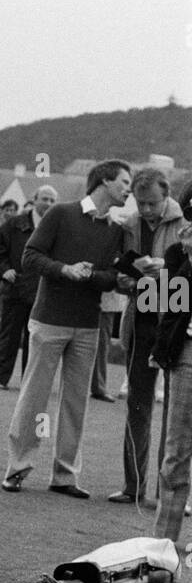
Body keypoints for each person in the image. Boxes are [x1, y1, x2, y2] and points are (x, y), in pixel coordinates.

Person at [1, 160, 130, 497]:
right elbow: (31, 256)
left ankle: (65, 476)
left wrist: (90, 275)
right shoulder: (61, 213)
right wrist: (64, 270)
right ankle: (17, 468)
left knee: (76, 403)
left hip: (88, 326)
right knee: (34, 396)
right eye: (124, 182)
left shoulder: (115, 230)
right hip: (49, 320)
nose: (128, 189)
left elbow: (112, 278)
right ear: (104, 181)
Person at [108, 168, 186, 507]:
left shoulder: (186, 223)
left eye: (153, 203)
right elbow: (118, 277)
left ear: (166, 195)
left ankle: (167, 493)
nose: (147, 210)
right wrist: (133, 277)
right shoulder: (128, 226)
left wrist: (164, 272)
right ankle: (134, 486)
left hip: (174, 319)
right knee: (137, 405)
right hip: (141, 317)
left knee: (175, 412)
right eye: (141, 204)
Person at [0, 185, 57, 388]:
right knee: (9, 336)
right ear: (34, 199)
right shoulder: (14, 224)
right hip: (15, 287)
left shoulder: (55, 227)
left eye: (52, 201)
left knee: (34, 341)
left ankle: (28, 381)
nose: (48, 204)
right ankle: (1, 378)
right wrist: (4, 270)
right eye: (45, 199)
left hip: (41, 293)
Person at [151, 220, 192, 544]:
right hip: (187, 355)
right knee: (177, 448)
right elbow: (170, 306)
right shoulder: (180, 255)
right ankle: (163, 542)